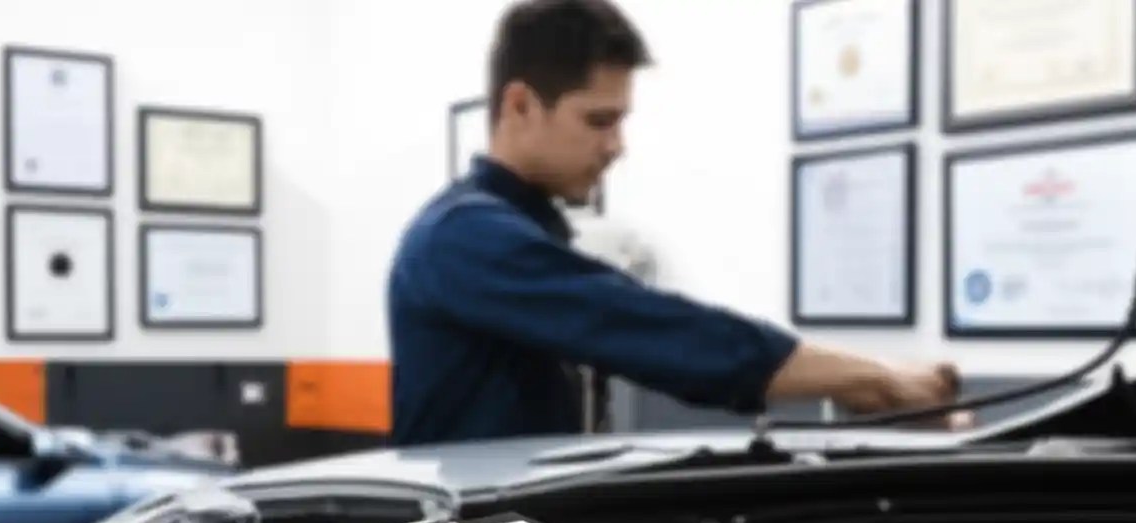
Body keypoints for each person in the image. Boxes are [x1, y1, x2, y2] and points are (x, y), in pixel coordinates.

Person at [387, 0, 967, 447]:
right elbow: (652, 330)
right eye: (598, 120)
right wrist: (873, 379)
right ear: (519, 106)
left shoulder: (524, 231)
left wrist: (870, 377)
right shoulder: (460, 238)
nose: (616, 146)